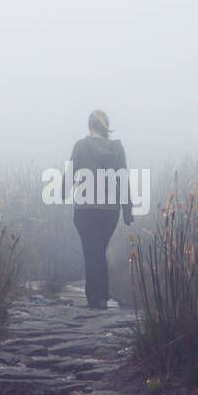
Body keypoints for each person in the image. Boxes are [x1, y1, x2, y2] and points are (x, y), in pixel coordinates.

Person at [68, 109, 133, 309]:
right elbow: (123, 179)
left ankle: (95, 298)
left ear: (89, 126)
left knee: (91, 251)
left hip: (85, 209)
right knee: (99, 250)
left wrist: (61, 193)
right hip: (110, 211)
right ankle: (103, 294)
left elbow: (70, 174)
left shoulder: (80, 146)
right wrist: (127, 211)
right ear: (106, 128)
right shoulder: (117, 149)